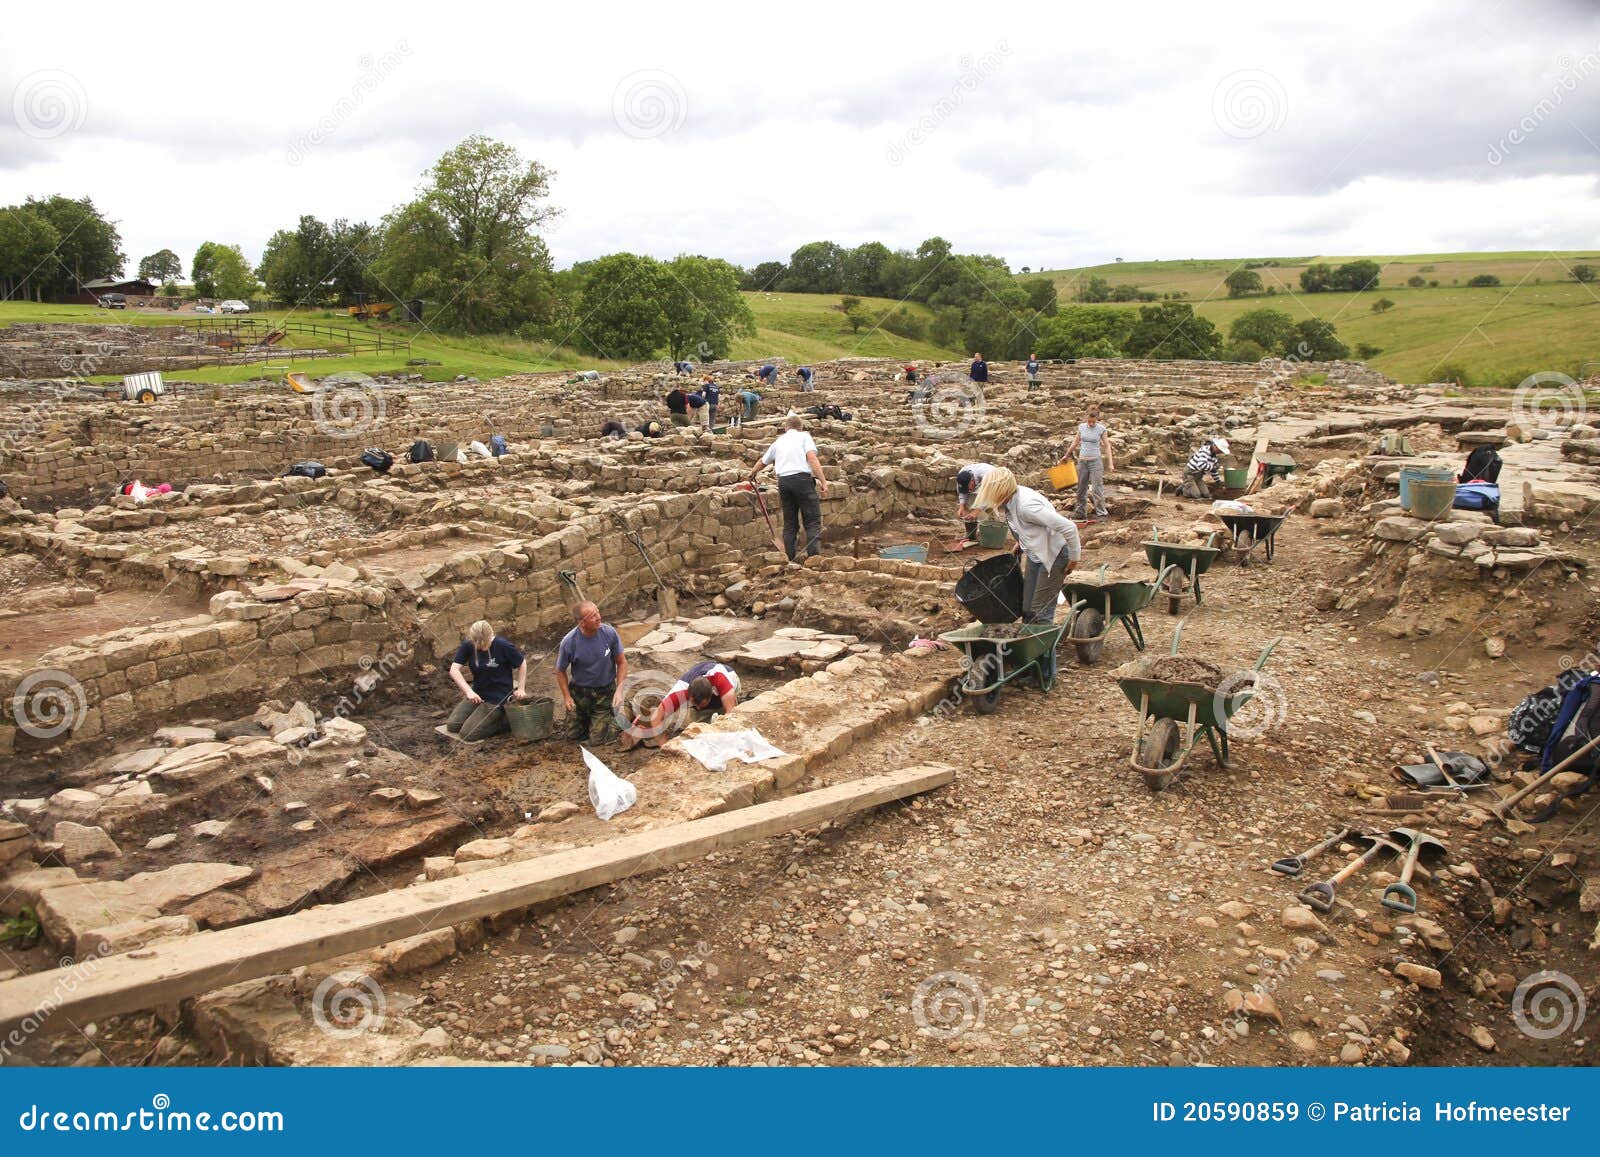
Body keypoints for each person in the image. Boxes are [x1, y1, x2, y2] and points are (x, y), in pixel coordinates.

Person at [972, 467, 1081, 625]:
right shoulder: (1011, 499)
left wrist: (1074, 557)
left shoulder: (1027, 507)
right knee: (1027, 607)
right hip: (1036, 554)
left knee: (1040, 611)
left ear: (1002, 491)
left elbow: (1069, 527)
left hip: (1054, 555)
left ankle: (1045, 648)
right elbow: (1028, 526)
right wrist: (1021, 542)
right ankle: (1030, 646)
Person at [748, 415, 829, 561]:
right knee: (812, 521)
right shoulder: (804, 436)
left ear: (786, 428)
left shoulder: (779, 441)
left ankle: (789, 558)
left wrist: (752, 473)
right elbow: (812, 458)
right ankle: (814, 559)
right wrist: (823, 481)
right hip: (802, 480)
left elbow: (763, 461)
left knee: (790, 522)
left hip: (784, 482)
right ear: (801, 427)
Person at [618, 660, 741, 751]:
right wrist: (665, 746)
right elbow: (656, 718)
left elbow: (731, 713)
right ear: (690, 696)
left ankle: (716, 707)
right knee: (701, 729)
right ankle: (705, 712)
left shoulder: (723, 681)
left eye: (702, 704)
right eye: (695, 704)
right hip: (702, 687)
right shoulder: (681, 691)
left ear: (710, 696)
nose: (698, 707)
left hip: (730, 680)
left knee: (727, 719)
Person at [555, 602, 627, 744]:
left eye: (598, 613)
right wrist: (567, 697)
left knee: (597, 739)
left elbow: (622, 662)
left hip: (604, 692)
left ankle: (625, 712)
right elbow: (560, 670)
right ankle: (592, 719)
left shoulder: (609, 633)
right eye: (592, 616)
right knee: (572, 735)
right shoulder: (569, 642)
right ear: (581, 622)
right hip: (580, 693)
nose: (598, 618)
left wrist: (619, 690)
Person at [446, 620, 529, 741]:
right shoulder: (469, 645)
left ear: (491, 636)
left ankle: (506, 720)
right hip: (478, 694)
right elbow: (454, 669)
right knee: (453, 726)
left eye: (485, 643)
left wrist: (521, 688)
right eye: (478, 644)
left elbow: (522, 663)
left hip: (497, 698)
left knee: (467, 734)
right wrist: (469, 691)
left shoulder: (503, 646)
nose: (482, 647)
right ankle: (482, 716)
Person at [1063, 406, 1114, 521]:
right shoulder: (1081, 427)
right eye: (1089, 421)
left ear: (1097, 418)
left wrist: (1110, 463)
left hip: (1095, 461)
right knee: (1081, 488)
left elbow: (1107, 446)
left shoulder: (1101, 429)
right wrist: (1067, 454)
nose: (1091, 424)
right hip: (1082, 461)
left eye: (1093, 421)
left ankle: (1101, 514)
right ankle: (1080, 512)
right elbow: (1075, 442)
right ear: (1086, 418)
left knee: (1097, 488)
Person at [955, 463, 995, 541]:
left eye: (968, 487)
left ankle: (992, 533)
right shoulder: (961, 476)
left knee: (989, 508)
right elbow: (962, 492)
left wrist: (976, 511)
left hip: (994, 485)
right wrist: (961, 506)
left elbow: (989, 496)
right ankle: (971, 535)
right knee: (969, 505)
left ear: (972, 481)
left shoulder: (987, 475)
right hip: (979, 485)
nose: (967, 490)